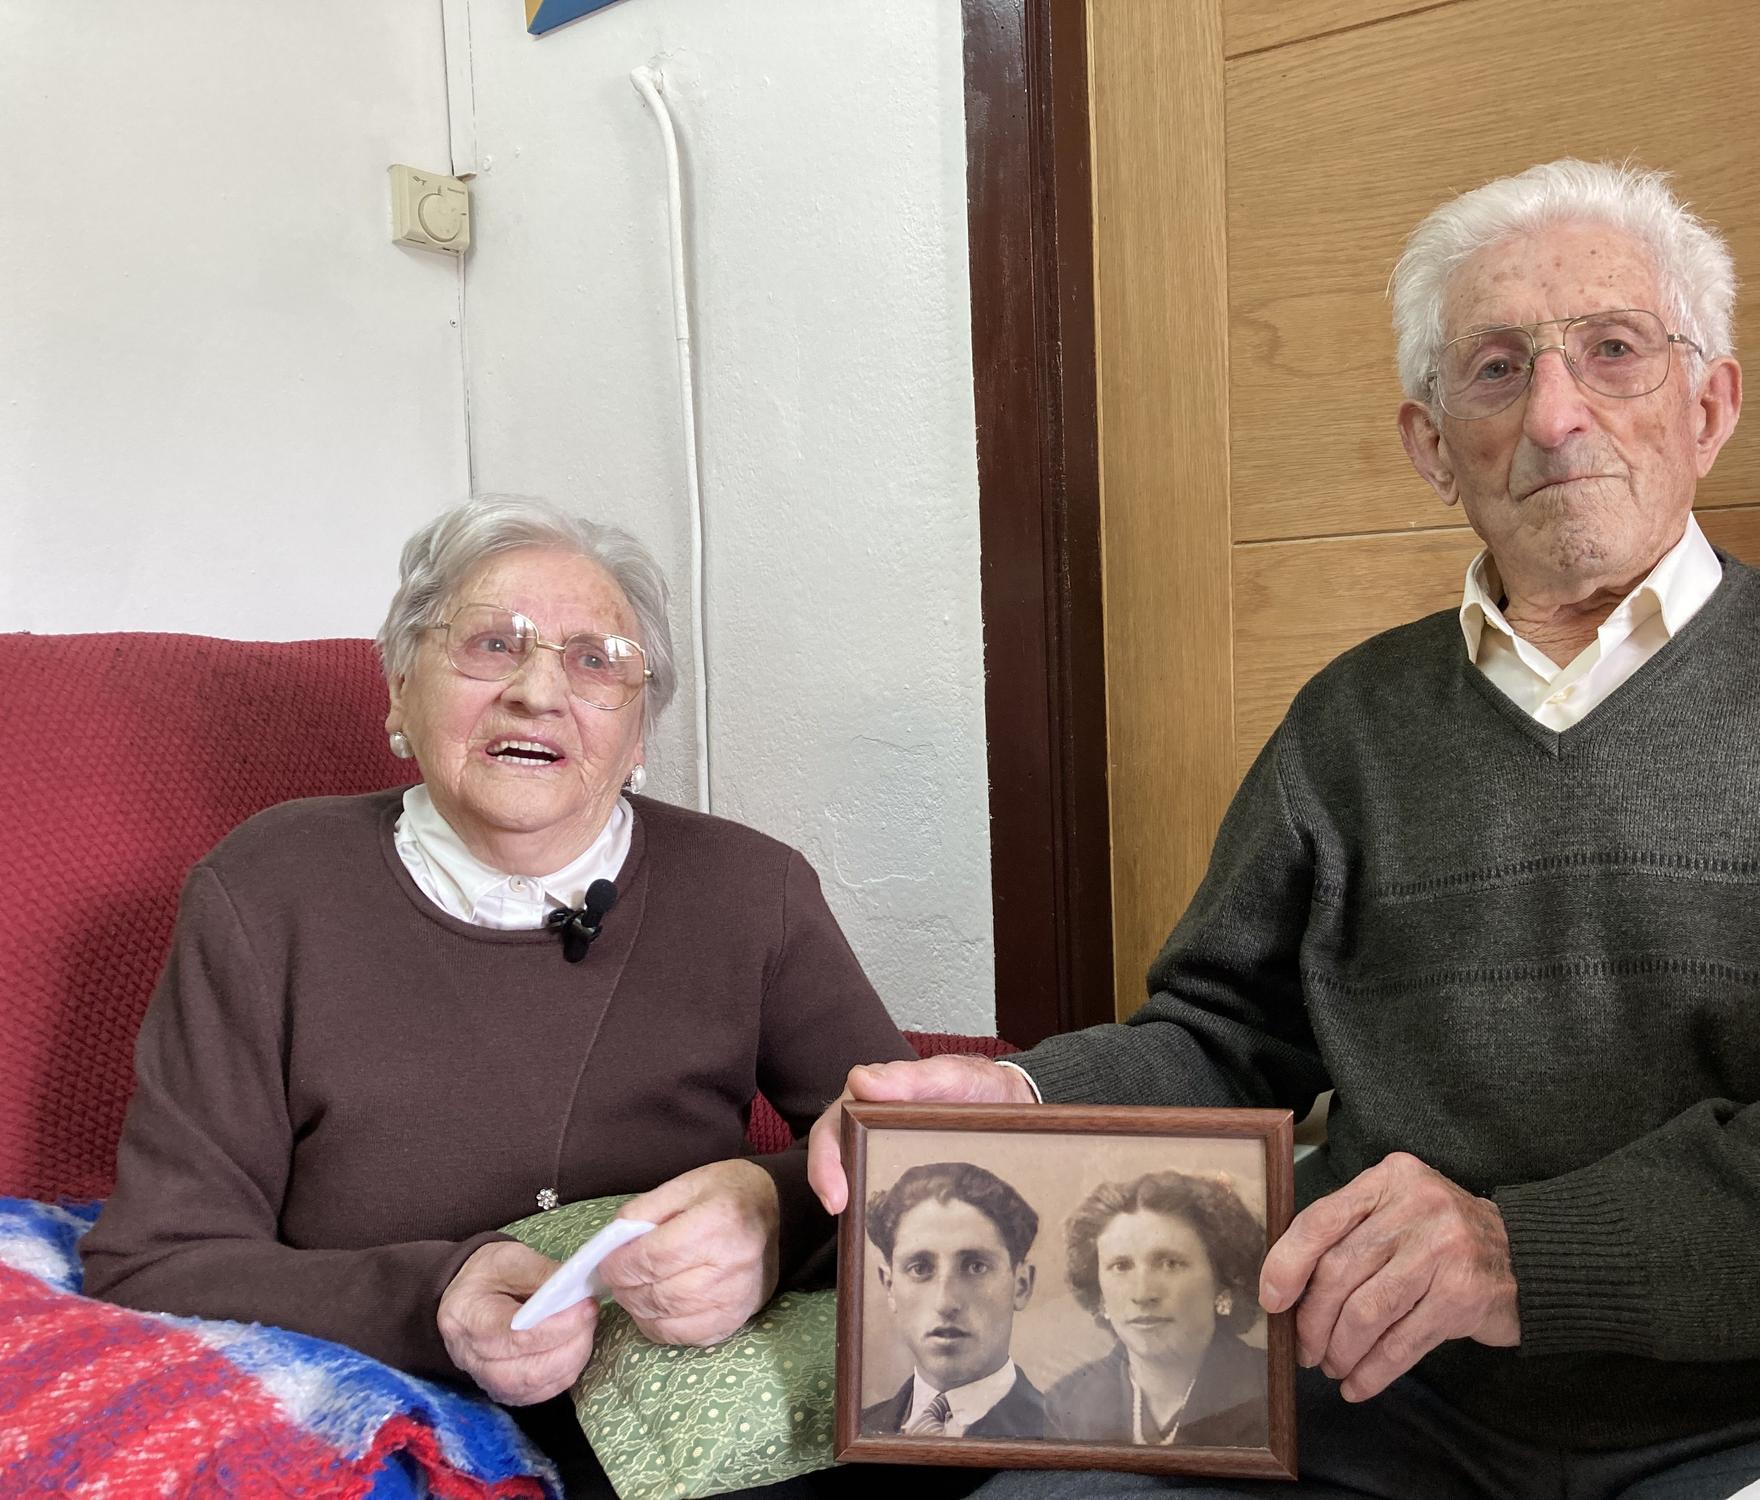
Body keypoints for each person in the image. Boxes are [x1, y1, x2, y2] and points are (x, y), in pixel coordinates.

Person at [807, 160, 1760, 1497]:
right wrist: (1025, 1098)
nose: (1557, 415)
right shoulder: (1347, 726)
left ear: (1709, 405)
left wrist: (1513, 1254)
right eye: (1497, 369)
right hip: (1388, 1401)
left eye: (1614, 352)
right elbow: (1221, 1039)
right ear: (1431, 445)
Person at [81, 495, 916, 1496]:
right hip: (383, 1403)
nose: (538, 692)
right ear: (397, 689)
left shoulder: (752, 890)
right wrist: (435, 1298)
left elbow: (916, 1168)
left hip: (683, 1414)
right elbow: (156, 1258)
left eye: (595, 659)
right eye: (490, 645)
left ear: (637, 726)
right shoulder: (267, 888)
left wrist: (767, 1219)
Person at [1046, 1171, 1266, 1447]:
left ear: (1224, 1284)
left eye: (1170, 1263)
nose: (1142, 1294)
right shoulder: (1064, 1403)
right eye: (1121, 1266)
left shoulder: (1274, 1388)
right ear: (1100, 1295)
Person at [860, 1161, 1048, 1439]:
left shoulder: (1062, 1430)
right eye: (920, 1268)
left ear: (1021, 1285)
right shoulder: (862, 1428)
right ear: (890, 1286)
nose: (945, 1302)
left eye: (976, 1267)